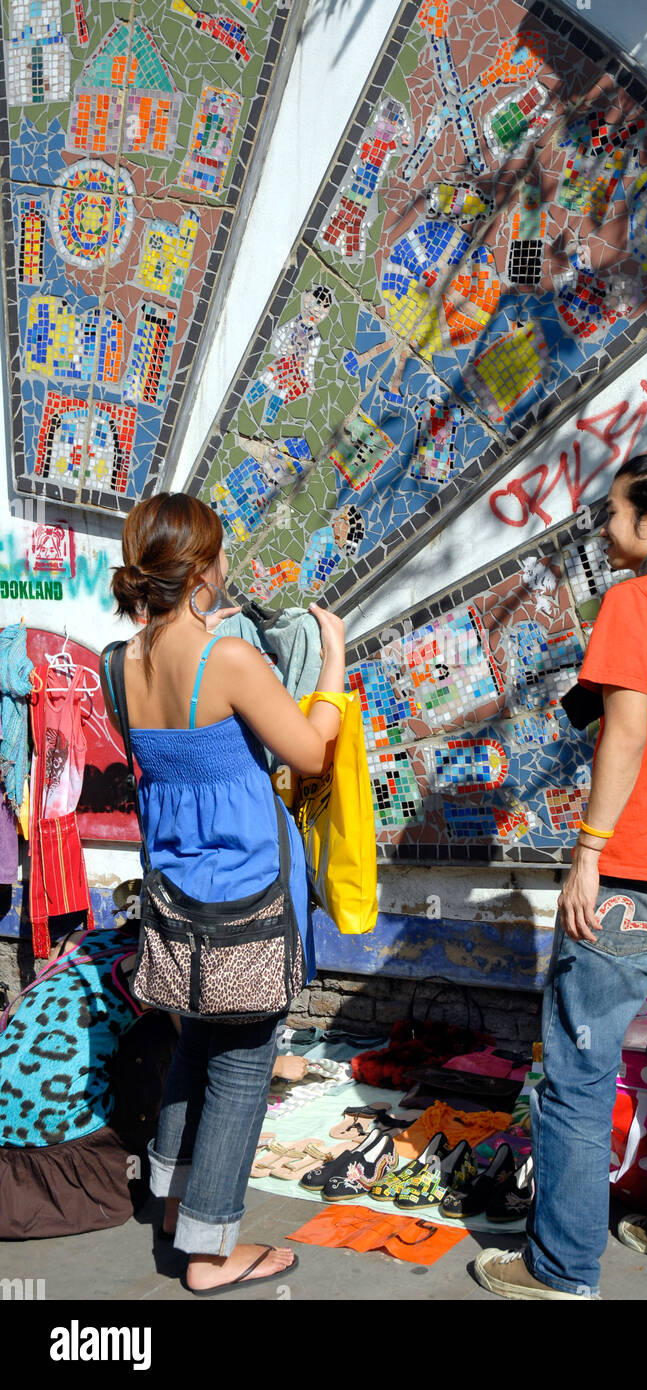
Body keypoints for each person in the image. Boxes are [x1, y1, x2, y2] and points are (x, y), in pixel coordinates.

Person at [474, 452, 647, 1300]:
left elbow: (622, 736)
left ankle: (558, 1268)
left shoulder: (635, 603)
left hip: (633, 876)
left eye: (613, 513)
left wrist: (590, 854)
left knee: (579, 1068)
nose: (601, 527)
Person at [100, 493, 346, 1296]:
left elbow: (187, 754)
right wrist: (332, 660)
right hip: (247, 891)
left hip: (176, 894)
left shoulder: (117, 664)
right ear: (203, 568)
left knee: (195, 1046)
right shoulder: (228, 660)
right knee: (243, 1064)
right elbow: (308, 751)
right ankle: (210, 1252)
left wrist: (209, 627)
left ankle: (172, 1205)